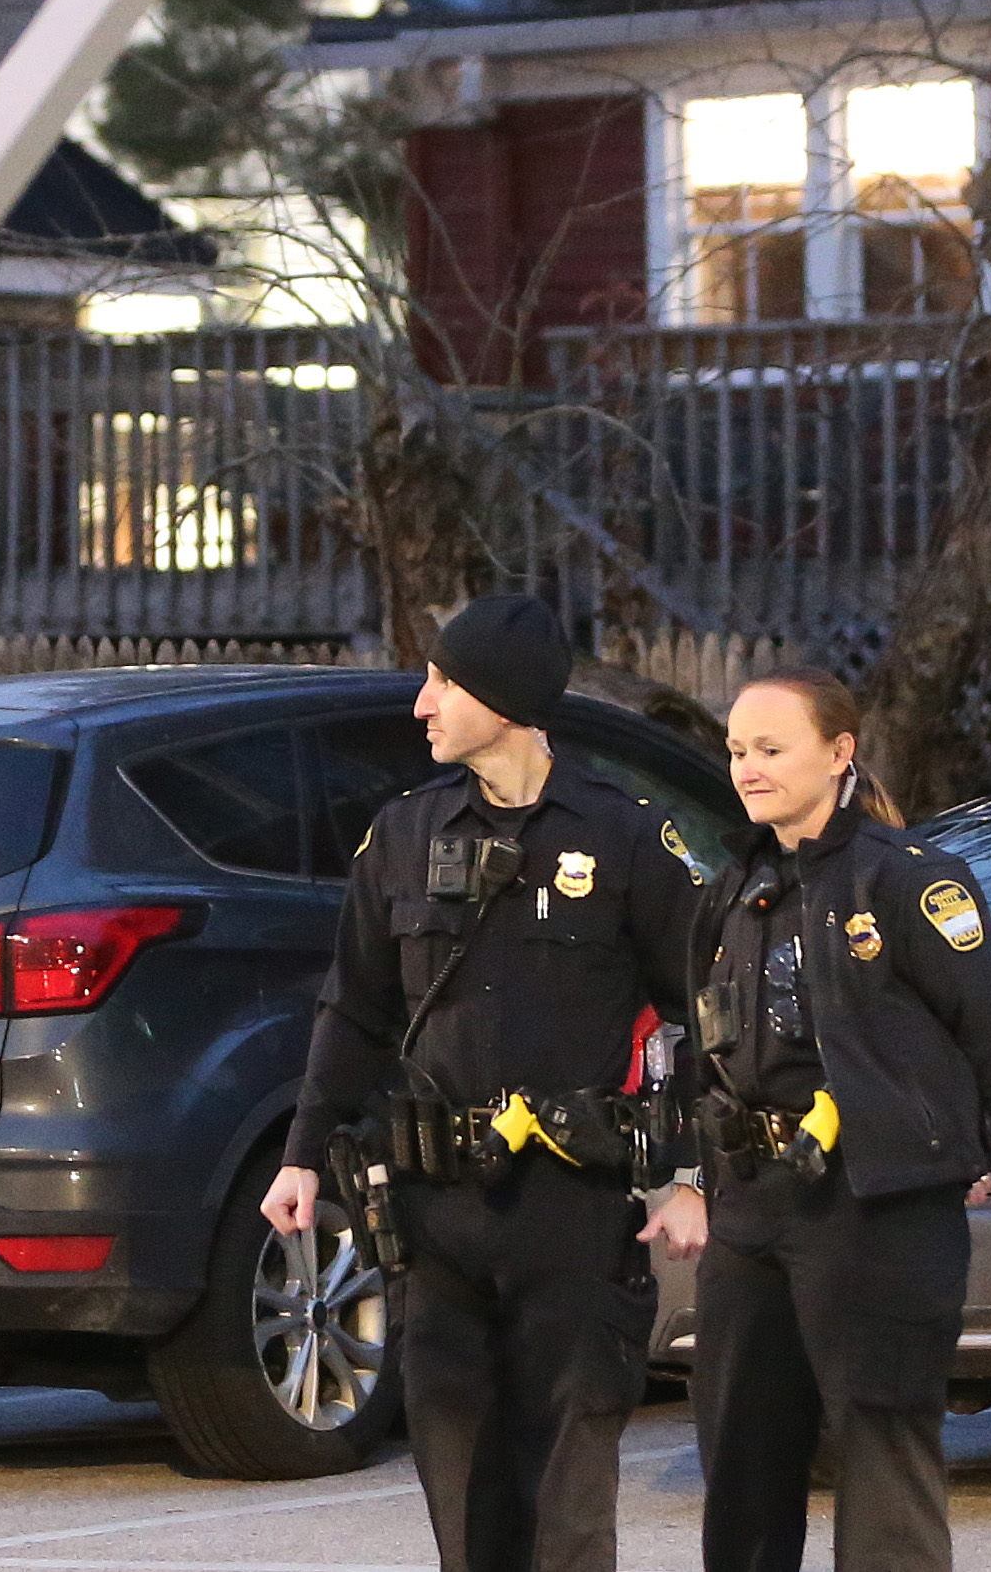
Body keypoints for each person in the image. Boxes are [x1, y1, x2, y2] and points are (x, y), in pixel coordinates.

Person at [263, 593, 707, 1572]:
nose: (422, 701)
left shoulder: (623, 835)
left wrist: (687, 1174)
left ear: (502, 698)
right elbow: (355, 1008)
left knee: (565, 1485)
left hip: (574, 1206)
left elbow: (707, 1010)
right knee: (460, 1486)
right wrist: (302, 1155)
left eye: (443, 679)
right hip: (433, 1214)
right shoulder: (403, 836)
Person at [689, 670, 991, 1572]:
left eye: (770, 748)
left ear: (839, 752)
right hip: (753, 1201)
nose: (747, 767)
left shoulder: (909, 879)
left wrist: (954, 1149)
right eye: (735, 750)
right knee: (741, 1456)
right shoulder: (731, 887)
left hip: (875, 1204)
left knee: (879, 1450)